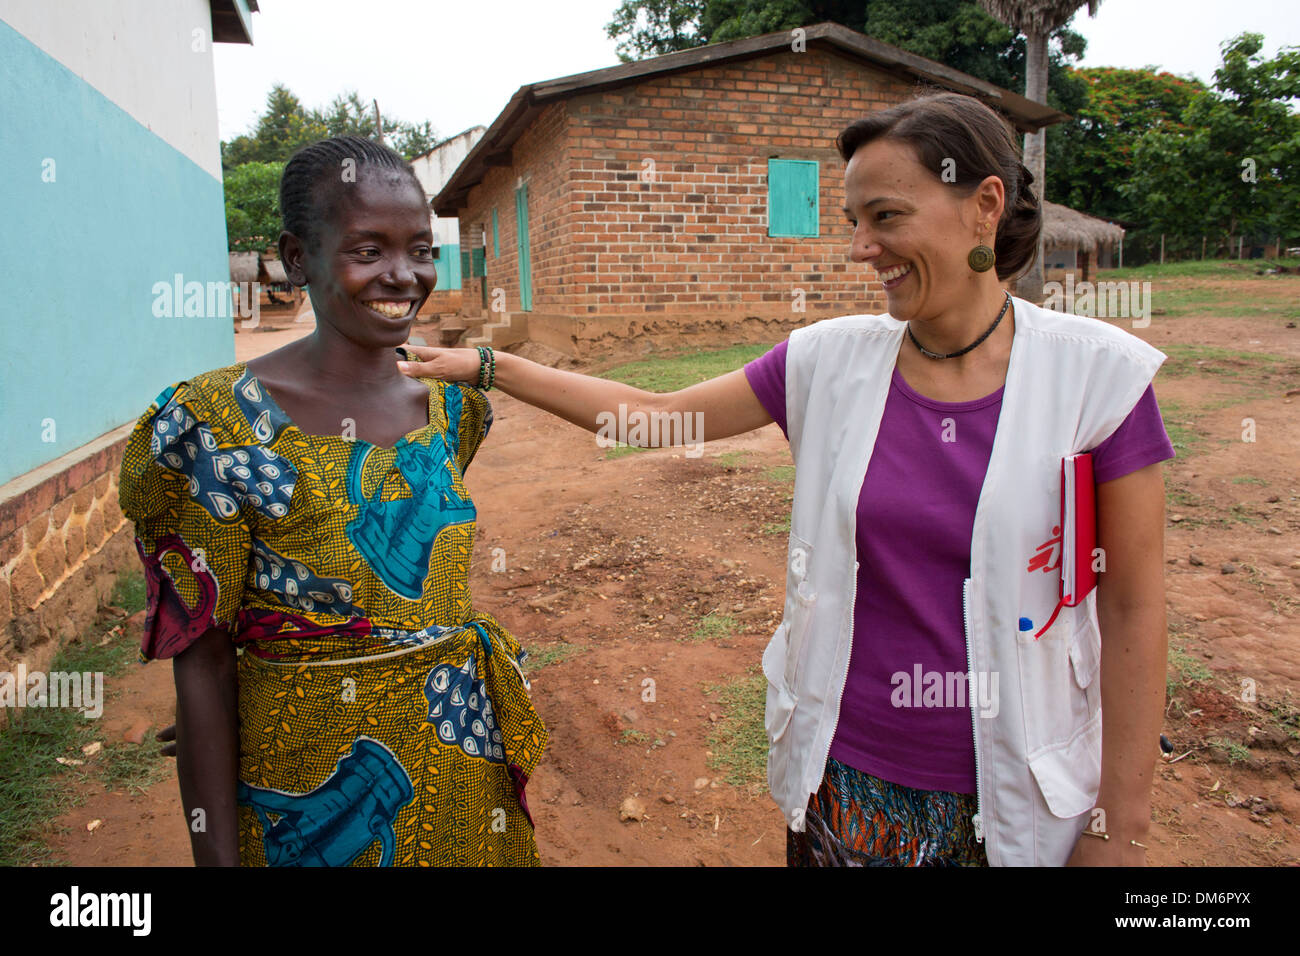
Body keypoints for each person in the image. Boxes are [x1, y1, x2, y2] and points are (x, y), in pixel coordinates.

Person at [399, 92, 1173, 866]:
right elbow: (651, 417)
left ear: (985, 207)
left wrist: (1121, 825)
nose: (860, 247)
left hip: (1019, 797)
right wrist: (491, 365)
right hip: (845, 783)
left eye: (886, 216)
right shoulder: (827, 362)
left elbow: (1134, 608)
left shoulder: (1097, 382)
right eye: (852, 221)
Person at [120, 136, 547, 867]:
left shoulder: (451, 409)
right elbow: (205, 660)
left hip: (457, 765)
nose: (403, 275)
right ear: (297, 258)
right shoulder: (213, 427)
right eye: (367, 250)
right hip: (308, 783)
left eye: (419, 249)